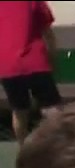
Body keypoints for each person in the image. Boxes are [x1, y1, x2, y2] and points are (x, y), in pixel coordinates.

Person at [0, 1, 63, 144]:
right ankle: (58, 148)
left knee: (19, 110)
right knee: (52, 109)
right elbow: (47, 32)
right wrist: (54, 59)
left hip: (8, 65)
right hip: (35, 61)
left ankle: (23, 149)